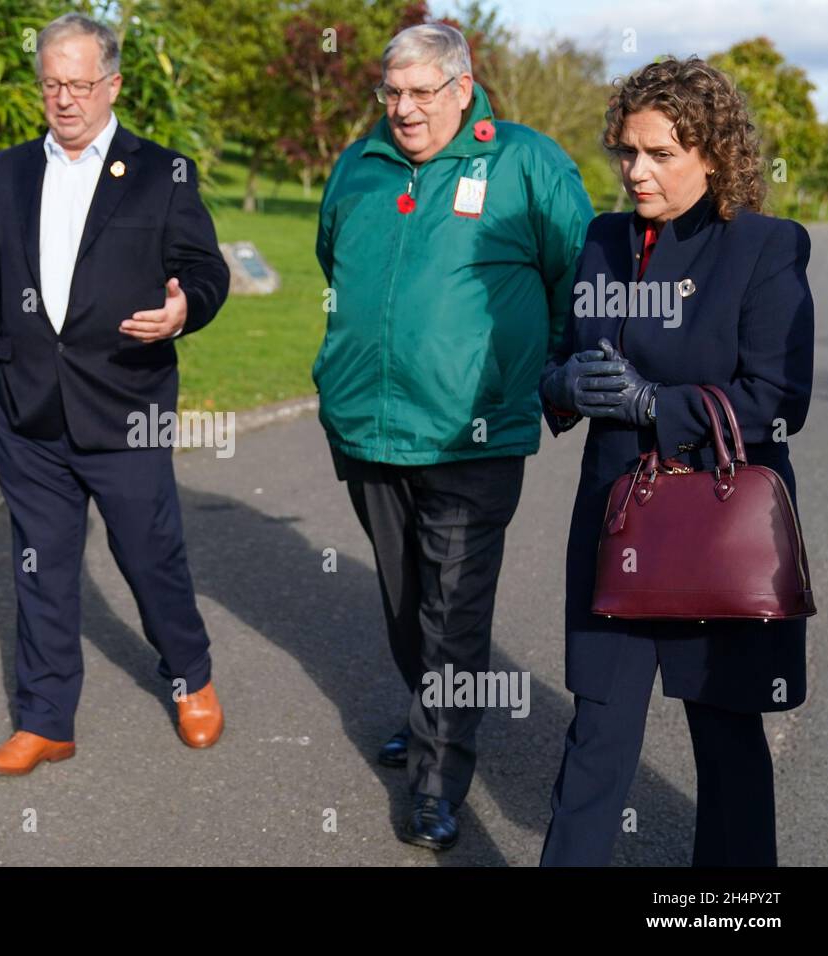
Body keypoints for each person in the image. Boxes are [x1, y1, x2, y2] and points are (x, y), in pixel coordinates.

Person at [313, 22, 593, 850]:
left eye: (420, 92)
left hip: (474, 433)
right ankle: (432, 710)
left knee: (453, 615)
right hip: (369, 424)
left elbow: (579, 273)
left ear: (463, 89)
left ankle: (439, 777)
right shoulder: (360, 166)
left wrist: (548, 372)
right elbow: (337, 261)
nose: (402, 109)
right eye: (390, 92)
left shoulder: (523, 161)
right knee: (407, 602)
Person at [538, 56, 814, 865]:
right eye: (627, 151)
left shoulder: (764, 247)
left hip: (720, 527)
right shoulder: (602, 237)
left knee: (727, 738)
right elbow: (563, 356)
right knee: (596, 732)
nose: (636, 171)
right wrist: (564, 384)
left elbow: (776, 399)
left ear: (714, 155)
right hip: (618, 521)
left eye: (661, 154)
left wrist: (655, 407)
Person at [0, 12, 230, 775]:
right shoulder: (6, 171)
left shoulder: (161, 171)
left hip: (126, 407)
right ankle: (45, 720)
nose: (66, 99)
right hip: (30, 412)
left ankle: (191, 677)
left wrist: (184, 311)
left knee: (150, 556)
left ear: (113, 84)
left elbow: (205, 271)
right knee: (39, 565)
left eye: (80, 84)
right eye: (52, 84)